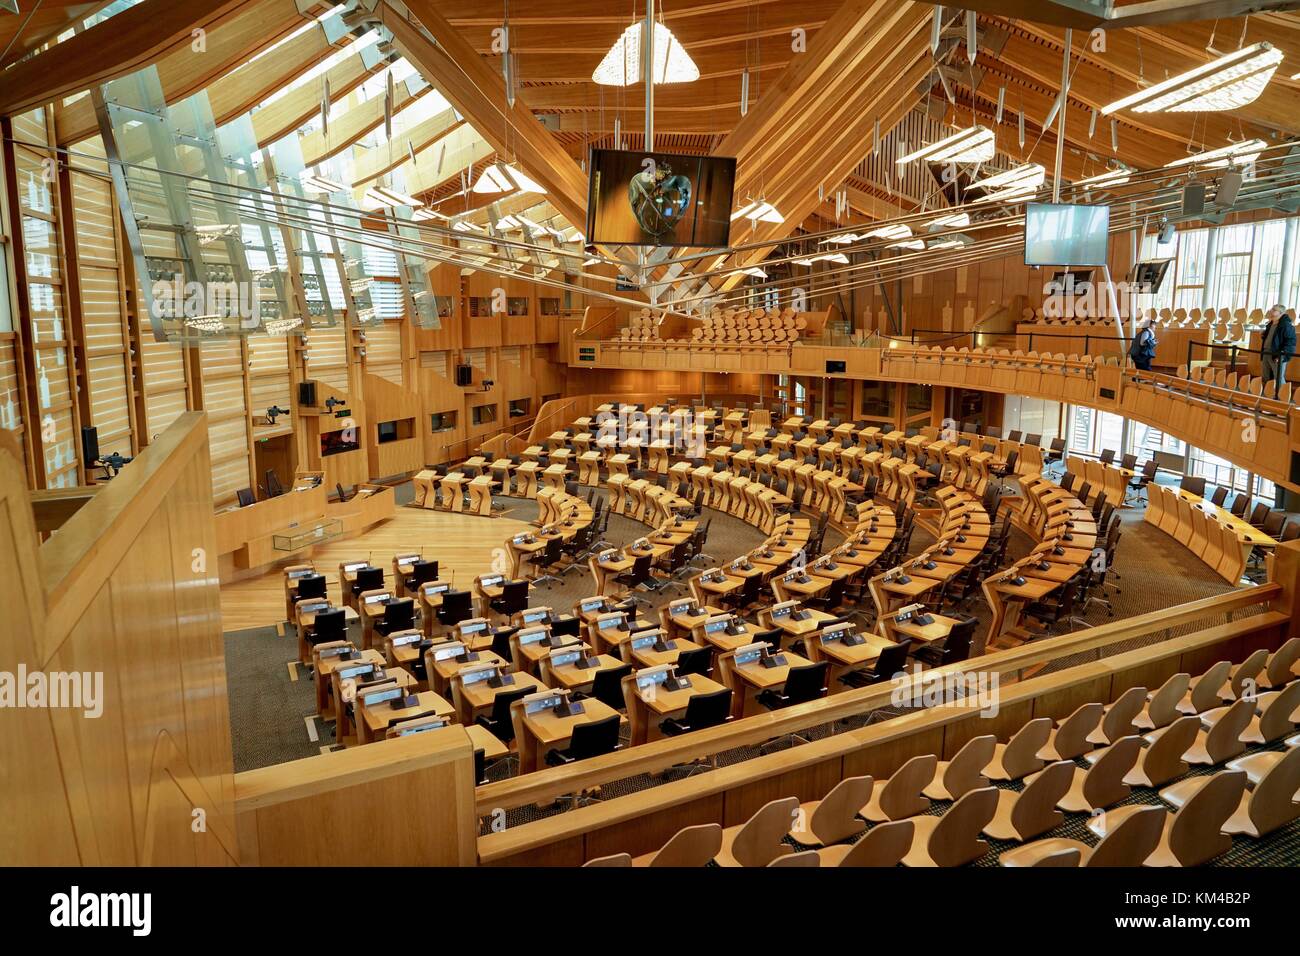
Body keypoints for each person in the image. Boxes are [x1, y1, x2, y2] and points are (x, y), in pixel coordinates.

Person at [1259, 304, 1295, 399]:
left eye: (1274, 310)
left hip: (1277, 354)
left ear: (1281, 313)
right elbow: (1272, 338)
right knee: (1265, 375)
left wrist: (1282, 355)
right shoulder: (1271, 323)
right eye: (1272, 309)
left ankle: (1283, 397)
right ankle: (1267, 395)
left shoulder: (1286, 325)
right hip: (1266, 352)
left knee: (1278, 377)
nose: (1271, 311)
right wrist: (1264, 335)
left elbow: (1290, 341)